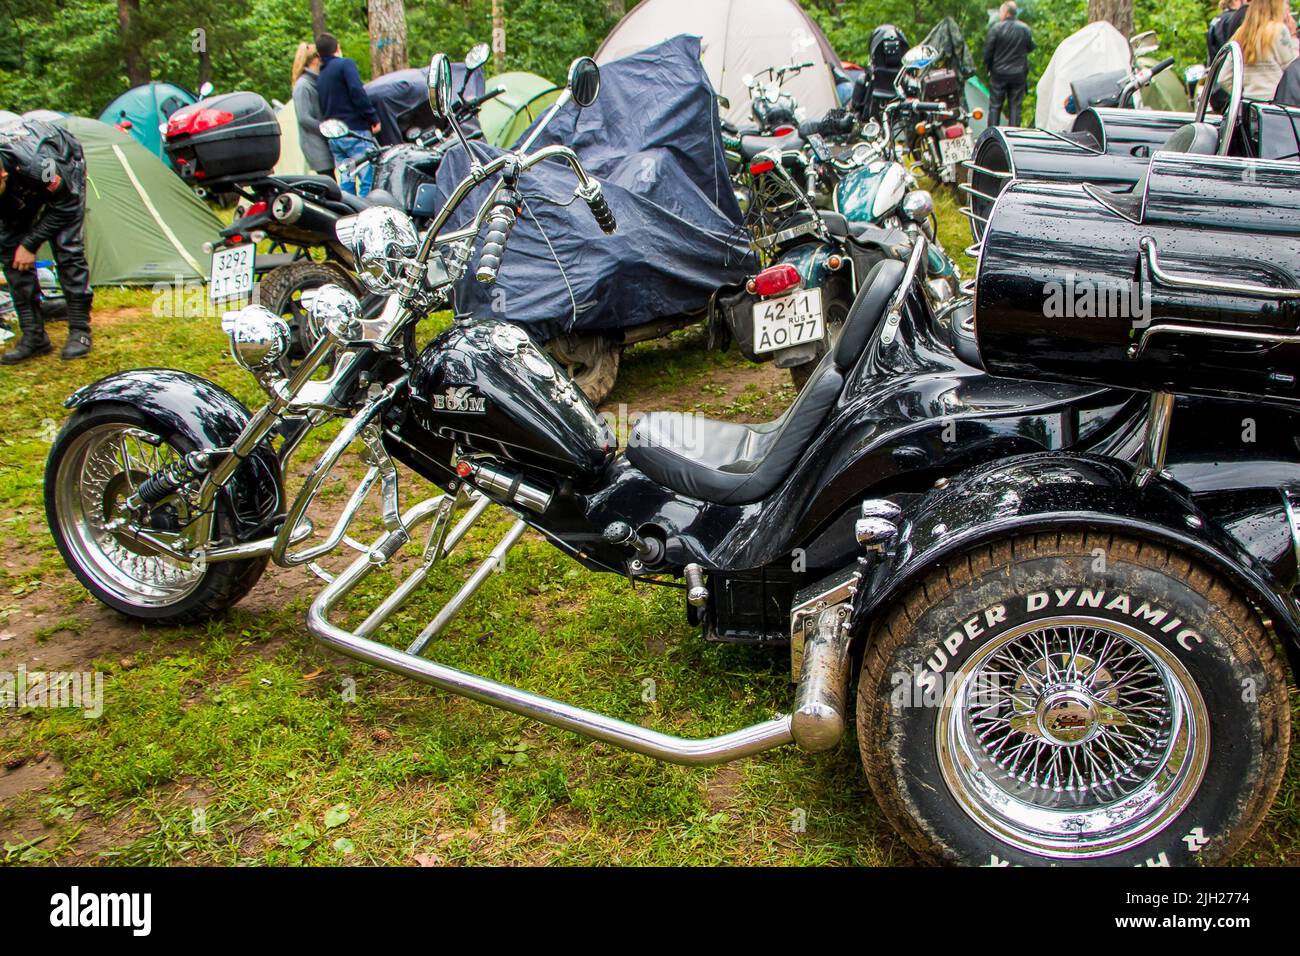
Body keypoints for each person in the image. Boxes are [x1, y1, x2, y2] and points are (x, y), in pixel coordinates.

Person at [0, 119, 92, 364]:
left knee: (67, 248)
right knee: (10, 252)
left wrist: (30, 243)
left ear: (2, 174)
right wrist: (18, 247)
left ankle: (80, 331)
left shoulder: (40, 165)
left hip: (65, 168)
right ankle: (35, 337)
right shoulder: (6, 181)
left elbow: (67, 204)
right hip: (17, 187)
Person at [315, 32, 380, 195]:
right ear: (338, 47)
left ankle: (350, 211)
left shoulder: (321, 76)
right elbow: (357, 91)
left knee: (347, 179)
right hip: (355, 131)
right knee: (368, 179)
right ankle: (366, 210)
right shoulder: (345, 65)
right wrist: (372, 117)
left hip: (336, 137)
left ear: (319, 54)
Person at [1221, 0, 1298, 100]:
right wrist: (1293, 37)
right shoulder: (1279, 30)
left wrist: (1241, 95)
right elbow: (1293, 68)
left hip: (1250, 104)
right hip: (1276, 104)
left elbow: (1223, 78)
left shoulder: (1241, 32)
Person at [983, 1, 1035, 127]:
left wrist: (989, 67)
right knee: (1015, 107)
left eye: (1001, 11)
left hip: (998, 73)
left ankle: (992, 135)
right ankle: (1014, 136)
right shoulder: (1024, 28)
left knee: (995, 106)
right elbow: (1031, 47)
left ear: (1006, 13)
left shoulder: (996, 29)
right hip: (1018, 74)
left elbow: (987, 52)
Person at [291, 42, 335, 177]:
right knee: (329, 181)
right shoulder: (303, 85)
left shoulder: (315, 81)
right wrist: (328, 129)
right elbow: (304, 118)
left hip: (324, 142)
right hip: (315, 144)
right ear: (316, 59)